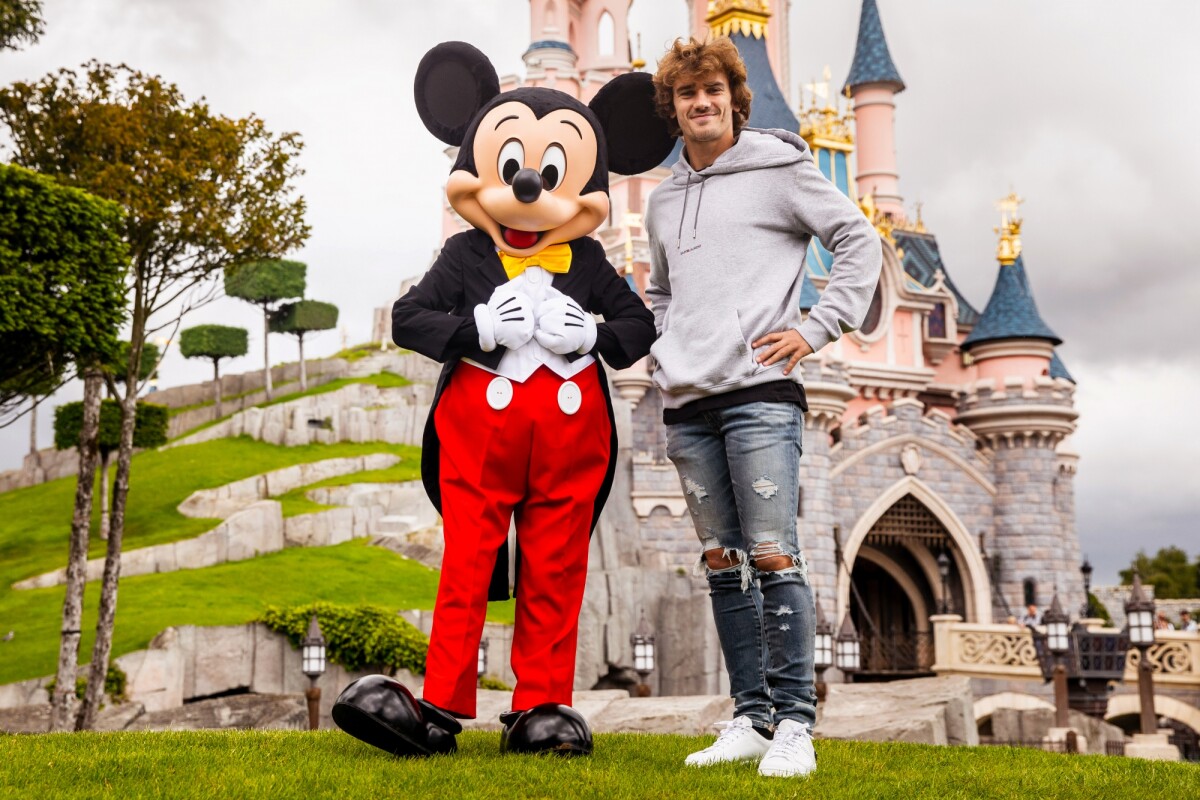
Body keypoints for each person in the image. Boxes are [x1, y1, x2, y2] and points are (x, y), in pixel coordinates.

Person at [645, 37, 881, 778]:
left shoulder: (781, 168)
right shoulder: (663, 199)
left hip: (760, 396)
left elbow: (858, 239)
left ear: (734, 99)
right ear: (674, 108)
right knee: (723, 564)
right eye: (687, 94)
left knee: (776, 556)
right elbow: (659, 290)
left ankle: (795, 725)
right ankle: (750, 717)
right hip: (688, 403)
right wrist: (664, 343)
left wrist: (815, 329)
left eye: (713, 89)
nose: (702, 102)